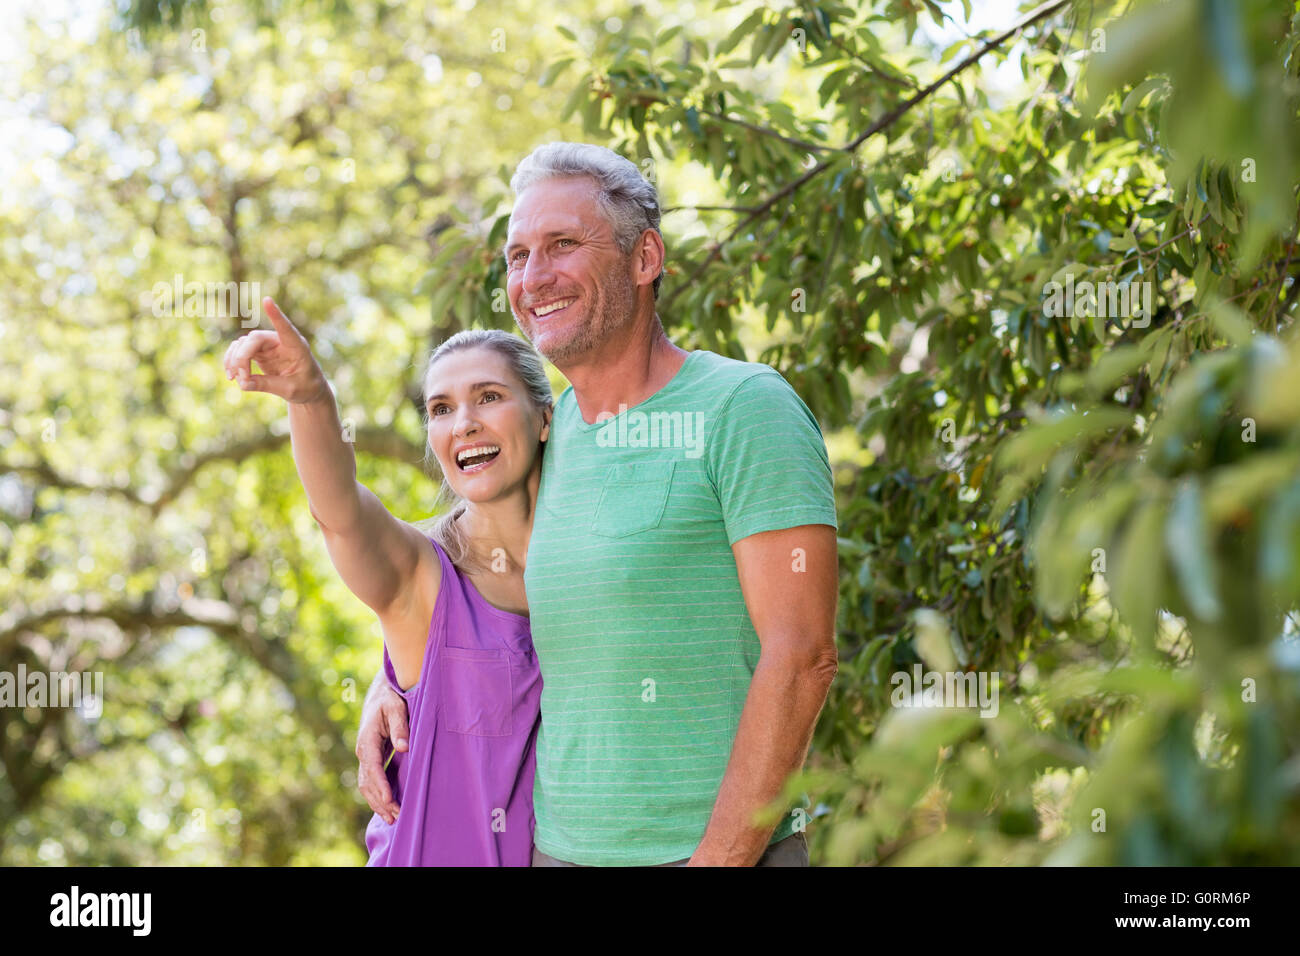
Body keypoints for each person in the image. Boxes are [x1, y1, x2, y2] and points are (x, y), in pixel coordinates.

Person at [358, 142, 841, 867]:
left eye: (561, 246)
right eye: (518, 256)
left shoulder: (743, 408)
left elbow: (803, 657)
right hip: (556, 852)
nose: (533, 276)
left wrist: (720, 860)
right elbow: (461, 556)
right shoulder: (556, 433)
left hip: (716, 854)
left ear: (645, 258)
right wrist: (390, 677)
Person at [224, 302, 552, 865]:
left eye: (489, 397)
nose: (464, 422)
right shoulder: (420, 574)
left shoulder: (595, 561)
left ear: (545, 417)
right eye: (441, 409)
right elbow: (341, 512)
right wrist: (310, 398)